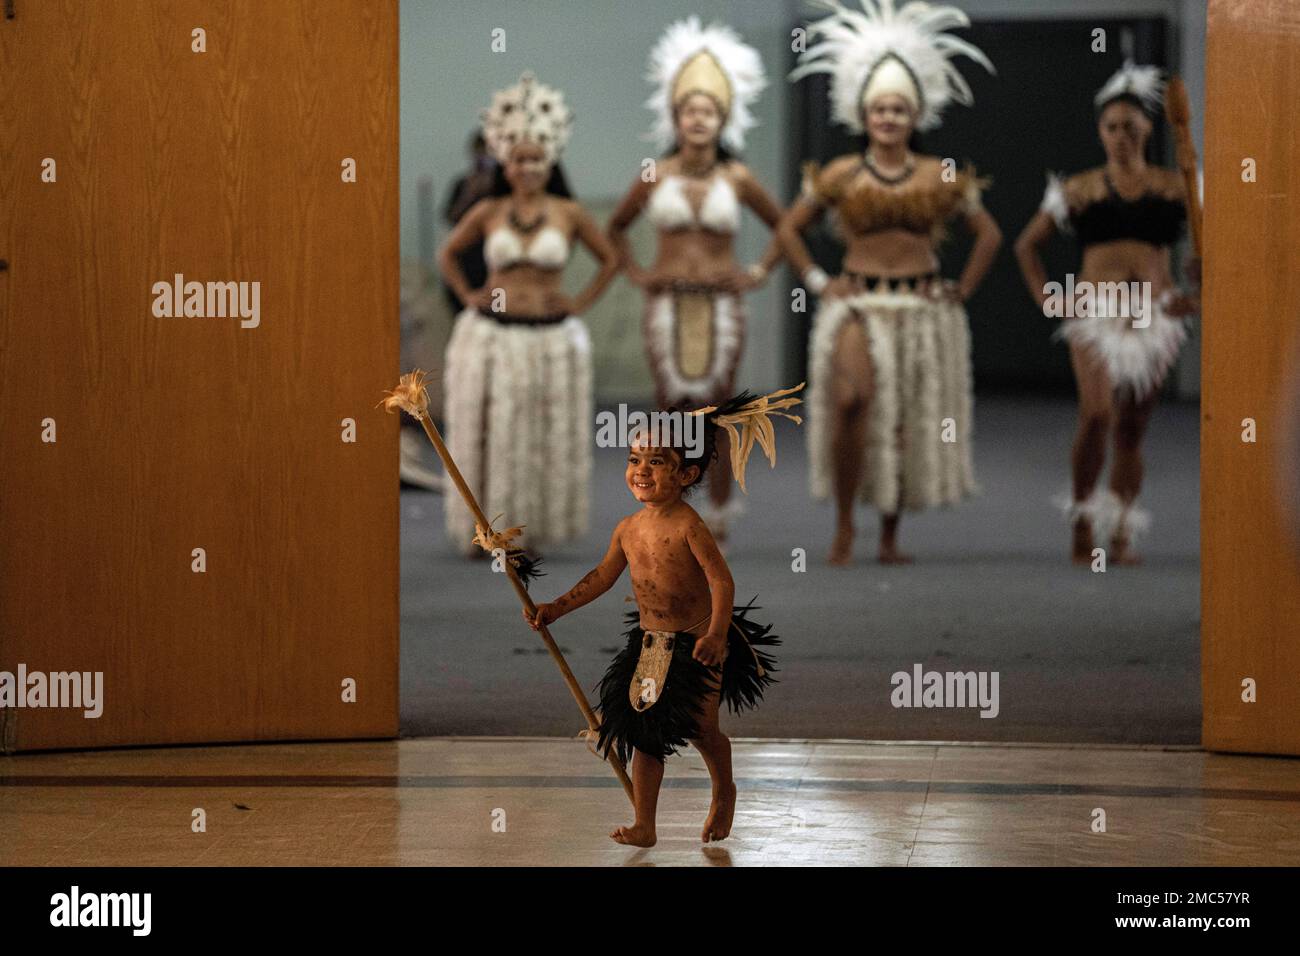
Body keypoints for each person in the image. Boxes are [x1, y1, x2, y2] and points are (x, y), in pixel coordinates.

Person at [523, 388, 800, 846]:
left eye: (656, 461)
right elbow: (602, 577)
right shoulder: (627, 529)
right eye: (635, 459)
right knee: (644, 734)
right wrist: (556, 608)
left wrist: (717, 635)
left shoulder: (689, 525)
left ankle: (724, 790)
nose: (641, 470)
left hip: (696, 643)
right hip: (651, 645)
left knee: (702, 729)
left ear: (687, 473)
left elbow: (721, 582)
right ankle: (645, 823)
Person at [779, 0, 1001, 564]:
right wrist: (817, 279)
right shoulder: (841, 173)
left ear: (916, 114)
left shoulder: (939, 173)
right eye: (880, 108)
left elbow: (989, 235)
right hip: (859, 304)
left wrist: (962, 289)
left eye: (899, 109)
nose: (889, 118)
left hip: (919, 308)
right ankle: (844, 523)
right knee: (850, 400)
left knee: (901, 419)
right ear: (863, 113)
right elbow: (788, 228)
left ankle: (888, 536)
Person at [1013, 60, 1199, 564]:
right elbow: (1026, 245)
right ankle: (1082, 516)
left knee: (1132, 428)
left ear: (1147, 128)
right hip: (1096, 311)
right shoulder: (1078, 189)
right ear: (1100, 131)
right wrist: (1048, 297)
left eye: (1130, 126)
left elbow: (1214, 248)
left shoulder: (1176, 186)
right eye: (1112, 127)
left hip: (1155, 314)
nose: (1121, 136)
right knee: (1097, 413)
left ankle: (1120, 529)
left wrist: (1197, 290)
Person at [608, 17, 786, 542]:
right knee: (669, 408)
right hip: (667, 301)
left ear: (723, 118)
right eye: (690, 110)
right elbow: (615, 227)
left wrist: (757, 272)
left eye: (708, 111)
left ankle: (720, 514)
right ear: (675, 117)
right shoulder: (655, 173)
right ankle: (666, 508)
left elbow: (785, 227)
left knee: (720, 409)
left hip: (720, 302)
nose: (699, 119)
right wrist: (637, 272)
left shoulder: (738, 176)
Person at [438, 73, 619, 554]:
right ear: (506, 162)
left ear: (550, 161)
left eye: (537, 158)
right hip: (492, 335)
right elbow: (448, 253)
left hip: (548, 338)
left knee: (534, 433)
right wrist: (468, 293)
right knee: (489, 431)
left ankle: (526, 528)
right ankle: (483, 528)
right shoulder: (489, 210)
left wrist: (579, 301)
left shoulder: (569, 212)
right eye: (519, 159)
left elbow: (611, 259)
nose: (528, 167)